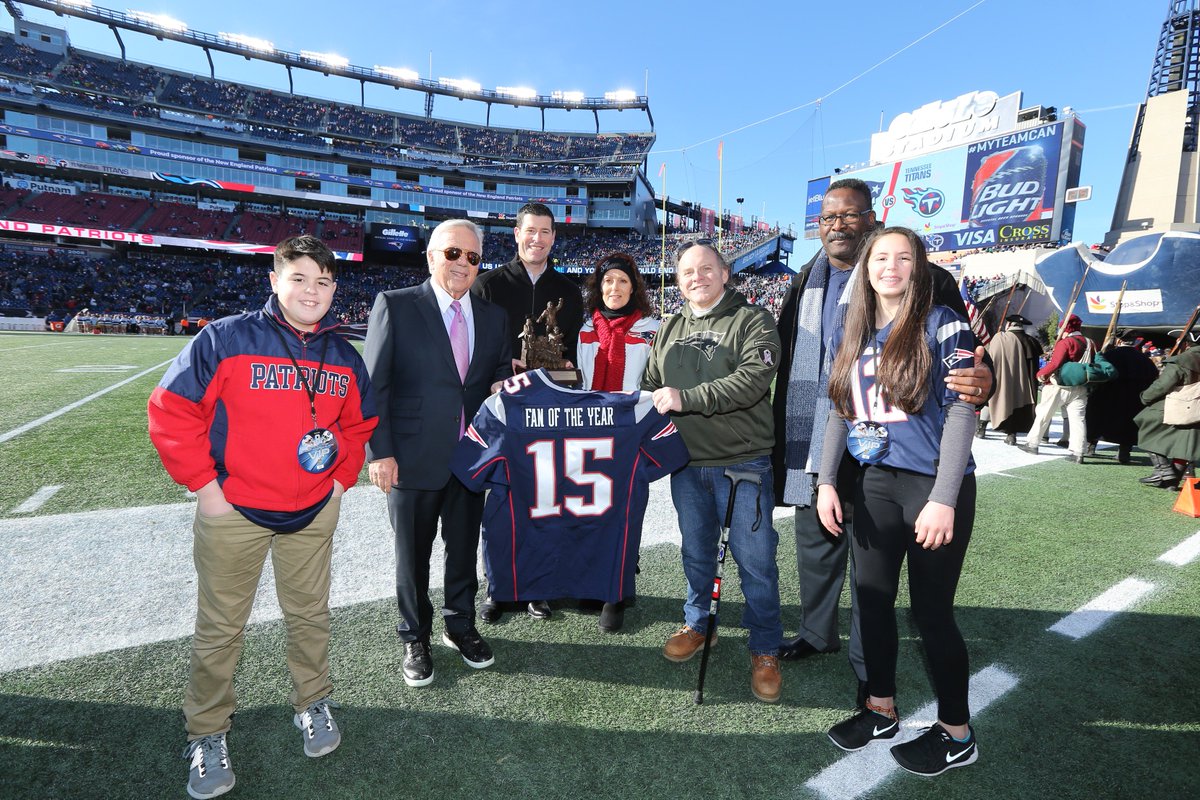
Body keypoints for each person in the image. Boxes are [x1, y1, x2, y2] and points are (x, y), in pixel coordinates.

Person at [148, 235, 378, 800]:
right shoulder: (226, 337)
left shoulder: (345, 355)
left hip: (312, 508)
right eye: (299, 278)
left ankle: (313, 702)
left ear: (334, 289)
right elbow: (171, 409)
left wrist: (339, 483)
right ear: (274, 281)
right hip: (235, 510)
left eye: (323, 282)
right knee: (221, 627)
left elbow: (359, 426)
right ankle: (207, 732)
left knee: (310, 616)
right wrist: (206, 488)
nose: (311, 291)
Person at [770, 179, 993, 706]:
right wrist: (812, 465)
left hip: (904, 457)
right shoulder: (804, 280)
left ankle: (871, 672)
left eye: (849, 215)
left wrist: (987, 381)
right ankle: (818, 634)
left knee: (886, 580)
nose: (837, 225)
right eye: (828, 217)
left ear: (871, 220)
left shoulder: (932, 284)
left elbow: (965, 370)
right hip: (828, 435)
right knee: (819, 545)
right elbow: (796, 364)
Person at [815, 226, 979, 775]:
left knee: (932, 614)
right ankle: (880, 708)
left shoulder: (942, 322)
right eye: (880, 257)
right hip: (876, 483)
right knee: (872, 603)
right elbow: (840, 408)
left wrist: (944, 497)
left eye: (903, 257)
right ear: (865, 268)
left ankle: (957, 733)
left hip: (932, 486)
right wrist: (826, 481)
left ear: (918, 266)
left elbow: (961, 409)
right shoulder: (850, 326)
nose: (891, 266)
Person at [364, 218, 512, 689]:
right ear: (431, 257)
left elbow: (498, 374)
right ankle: (414, 635)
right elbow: (374, 386)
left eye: (472, 257)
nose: (462, 263)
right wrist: (380, 452)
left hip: (470, 459)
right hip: (411, 457)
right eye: (452, 253)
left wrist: (503, 384)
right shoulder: (395, 304)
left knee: (463, 549)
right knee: (412, 555)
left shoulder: (494, 316)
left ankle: (460, 624)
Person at [642, 241, 785, 703]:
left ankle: (765, 647)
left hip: (742, 463)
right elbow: (650, 384)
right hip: (686, 464)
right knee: (696, 552)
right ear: (678, 280)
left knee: (755, 560)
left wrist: (687, 398)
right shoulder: (670, 326)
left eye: (706, 269)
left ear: (725, 272)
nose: (696, 277)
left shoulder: (753, 319)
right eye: (687, 272)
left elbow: (751, 381)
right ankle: (699, 623)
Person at [472, 202, 583, 621]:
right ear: (517, 234)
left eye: (545, 232)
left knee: (545, 499)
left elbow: (571, 354)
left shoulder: (569, 291)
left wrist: (567, 366)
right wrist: (504, 366)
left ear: (554, 237)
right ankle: (498, 586)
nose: (537, 239)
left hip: (549, 412)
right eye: (530, 231)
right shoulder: (488, 285)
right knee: (500, 500)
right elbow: (474, 351)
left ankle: (539, 585)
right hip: (503, 411)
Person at [573, 252, 660, 631]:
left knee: (625, 512)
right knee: (591, 509)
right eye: (608, 280)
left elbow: (655, 381)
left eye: (622, 281)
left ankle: (617, 592)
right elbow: (577, 381)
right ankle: (595, 579)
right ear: (599, 286)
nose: (615, 287)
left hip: (630, 432)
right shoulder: (584, 328)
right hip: (589, 432)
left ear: (633, 287)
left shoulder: (651, 328)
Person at [1020, 314, 1094, 463]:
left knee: (1044, 413)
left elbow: (1055, 363)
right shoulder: (1090, 342)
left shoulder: (1065, 342)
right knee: (1078, 419)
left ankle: (1032, 444)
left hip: (1059, 385)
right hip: (1081, 386)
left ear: (1066, 328)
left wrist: (1041, 374)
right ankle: (1078, 452)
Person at [1134, 340, 1200, 488]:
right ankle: (1173, 479)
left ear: (1187, 344)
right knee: (1186, 444)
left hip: (1179, 405)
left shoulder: (1181, 360)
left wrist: (1145, 397)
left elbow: (1162, 385)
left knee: (1146, 422)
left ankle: (1163, 470)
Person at [1085, 330, 1159, 462]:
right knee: (1128, 426)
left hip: (1107, 397)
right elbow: (1153, 376)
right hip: (1133, 399)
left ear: (1119, 341)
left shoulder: (1108, 355)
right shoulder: (1144, 359)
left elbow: (1098, 373)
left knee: (1096, 420)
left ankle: (1090, 446)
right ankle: (1124, 452)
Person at [985, 314, 1042, 445]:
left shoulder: (1001, 339)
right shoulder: (1031, 341)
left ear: (1009, 325)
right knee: (1018, 403)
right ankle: (1012, 434)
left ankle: (981, 428)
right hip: (1026, 383)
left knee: (995, 397)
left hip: (1003, 377)